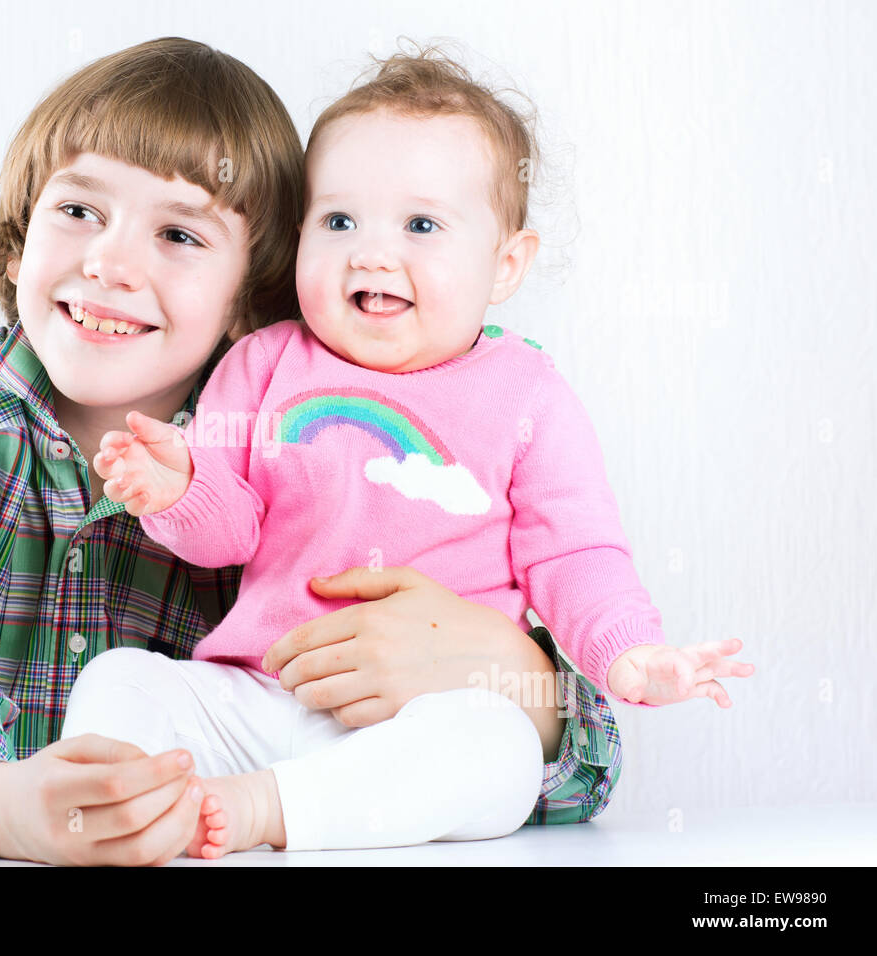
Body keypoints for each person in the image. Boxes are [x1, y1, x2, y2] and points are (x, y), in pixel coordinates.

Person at [0, 36, 629, 866]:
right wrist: (8, 810)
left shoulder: (279, 441)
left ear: (255, 295)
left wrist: (508, 666)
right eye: (80, 210)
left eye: (179, 235)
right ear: (21, 234)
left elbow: (577, 775)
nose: (111, 262)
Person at [68, 41, 754, 859]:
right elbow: (230, 533)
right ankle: (137, 813)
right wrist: (176, 488)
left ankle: (264, 811)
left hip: (424, 715)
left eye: (421, 225)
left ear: (506, 264)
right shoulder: (264, 362)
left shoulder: (527, 393)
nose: (372, 251)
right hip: (256, 692)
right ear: (300, 238)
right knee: (121, 678)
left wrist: (629, 652)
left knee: (497, 751)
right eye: (339, 220)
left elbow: (576, 552)